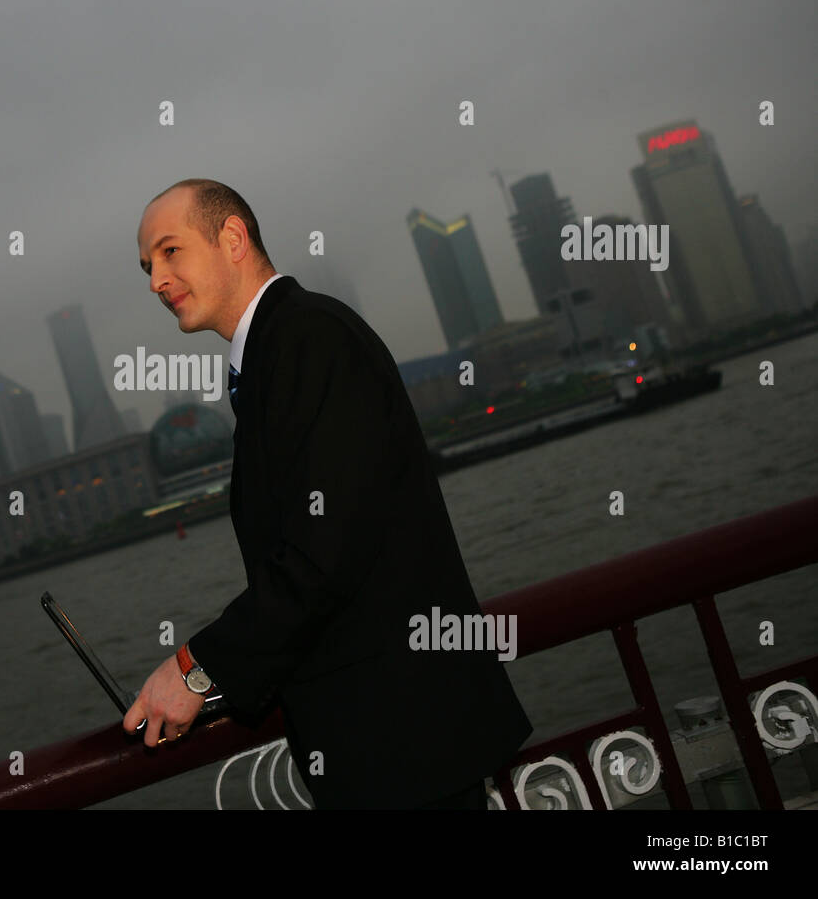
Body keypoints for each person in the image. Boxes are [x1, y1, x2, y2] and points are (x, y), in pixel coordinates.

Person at [125, 178, 533, 808]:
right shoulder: (275, 352)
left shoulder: (308, 338)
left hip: (408, 745)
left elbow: (323, 552)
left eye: (170, 252)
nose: (156, 280)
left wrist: (194, 668)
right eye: (148, 265)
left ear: (232, 237)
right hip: (392, 744)